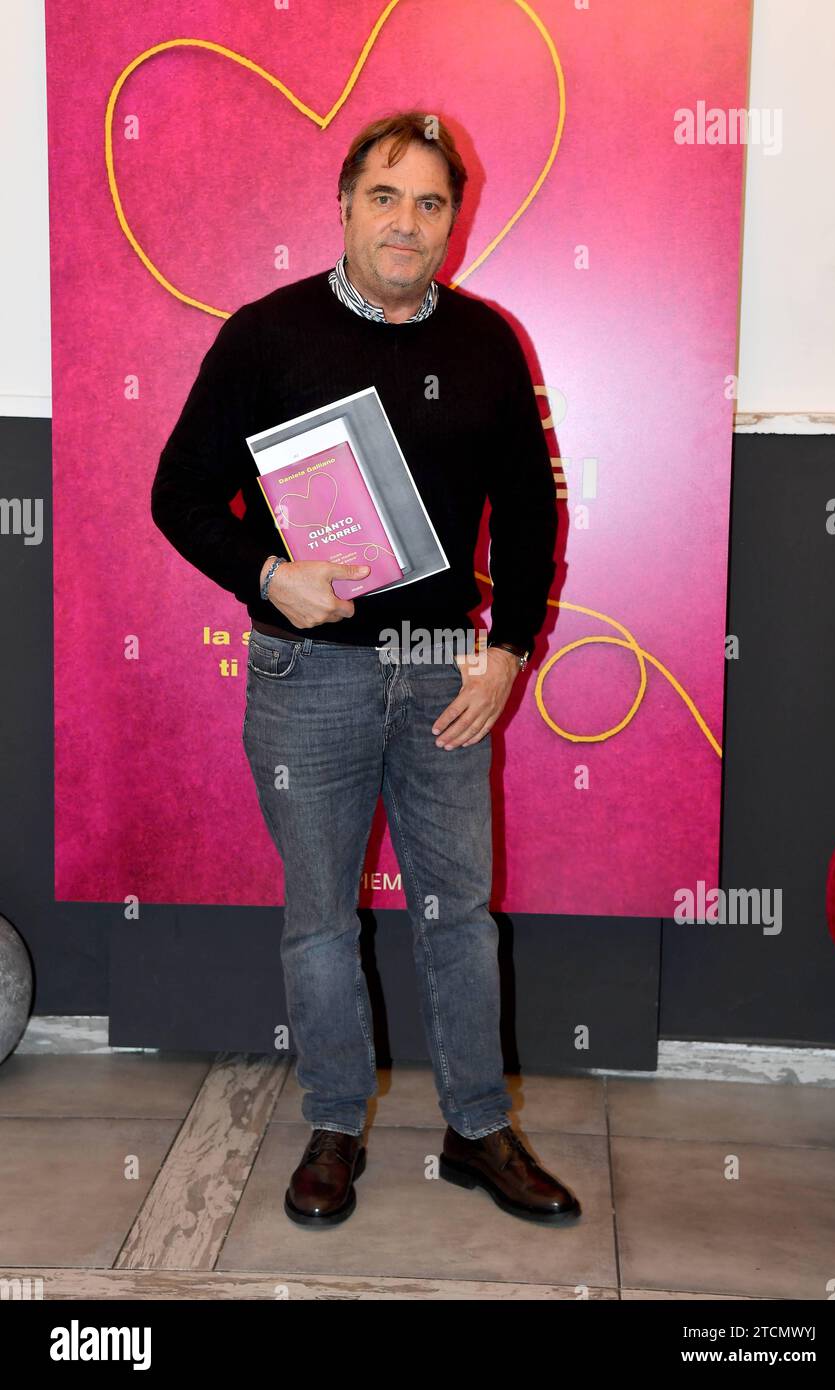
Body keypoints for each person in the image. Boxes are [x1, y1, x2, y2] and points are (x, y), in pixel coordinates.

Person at [152, 110, 580, 1228]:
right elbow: (179, 496)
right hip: (310, 674)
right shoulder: (265, 336)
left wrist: (507, 648)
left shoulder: (486, 342)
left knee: (459, 916)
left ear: (453, 220)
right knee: (319, 923)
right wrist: (265, 573)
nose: (406, 221)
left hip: (445, 672)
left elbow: (531, 512)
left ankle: (477, 1128)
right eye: (384, 196)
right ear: (341, 206)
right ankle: (334, 1127)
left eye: (430, 201)